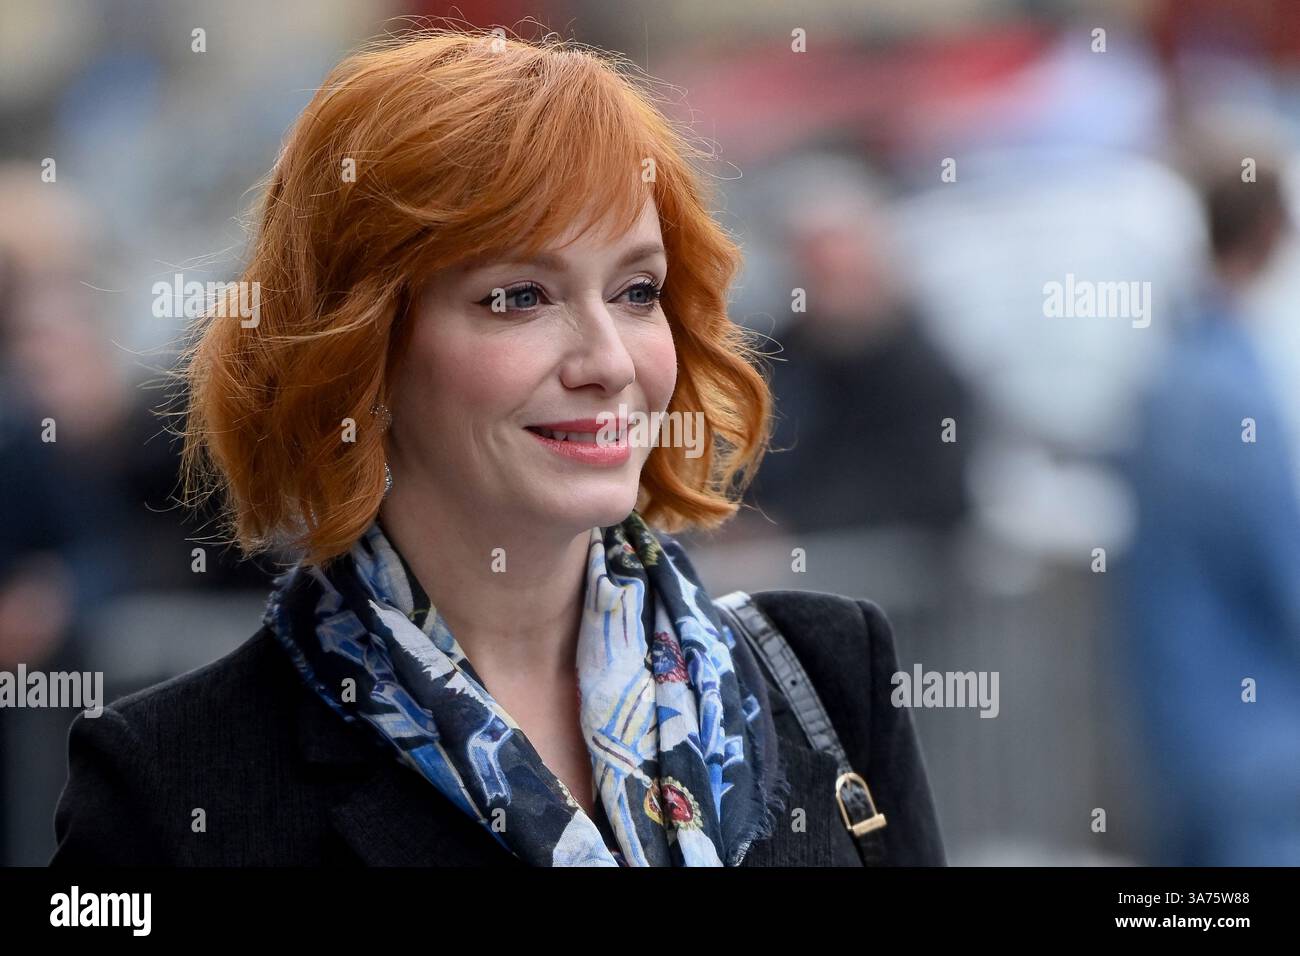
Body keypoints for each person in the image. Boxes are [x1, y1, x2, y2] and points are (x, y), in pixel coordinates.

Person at [49, 28, 945, 867]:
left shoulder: (827, 675)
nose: (607, 361)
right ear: (361, 349)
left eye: (637, 291)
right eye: (519, 296)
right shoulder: (177, 782)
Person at [1118, 158, 1300, 864]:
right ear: (1271, 232)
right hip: (1252, 726)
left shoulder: (1176, 367)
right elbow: (1276, 553)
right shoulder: (1228, 385)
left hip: (1185, 708)